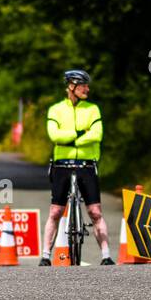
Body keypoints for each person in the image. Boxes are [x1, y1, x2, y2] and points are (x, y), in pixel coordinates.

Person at [40, 68, 113, 265]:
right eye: (83, 85)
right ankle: (46, 255)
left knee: (95, 212)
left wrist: (69, 138)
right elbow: (54, 135)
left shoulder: (93, 109)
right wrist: (81, 134)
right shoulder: (56, 110)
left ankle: (106, 255)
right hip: (62, 165)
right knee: (55, 212)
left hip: (87, 165)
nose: (87, 89)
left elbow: (97, 134)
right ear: (71, 86)